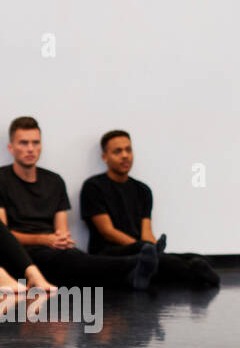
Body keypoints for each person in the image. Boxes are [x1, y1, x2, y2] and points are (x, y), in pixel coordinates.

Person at [0, 117, 210, 290]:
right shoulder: (2, 179)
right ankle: (141, 264)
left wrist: (59, 239)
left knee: (78, 261)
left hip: (56, 250)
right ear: (11, 147)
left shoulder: (54, 181)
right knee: (86, 263)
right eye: (23, 143)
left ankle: (163, 262)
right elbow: (3, 234)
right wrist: (45, 239)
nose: (30, 149)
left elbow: (62, 230)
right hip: (25, 254)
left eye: (35, 143)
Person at [80, 129, 220, 285]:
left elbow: (146, 231)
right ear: (105, 157)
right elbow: (108, 232)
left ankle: (193, 266)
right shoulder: (93, 187)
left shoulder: (142, 190)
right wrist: (144, 247)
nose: (125, 155)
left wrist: (150, 246)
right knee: (155, 258)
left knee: (192, 257)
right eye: (117, 151)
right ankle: (197, 276)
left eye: (128, 150)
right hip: (108, 252)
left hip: (142, 249)